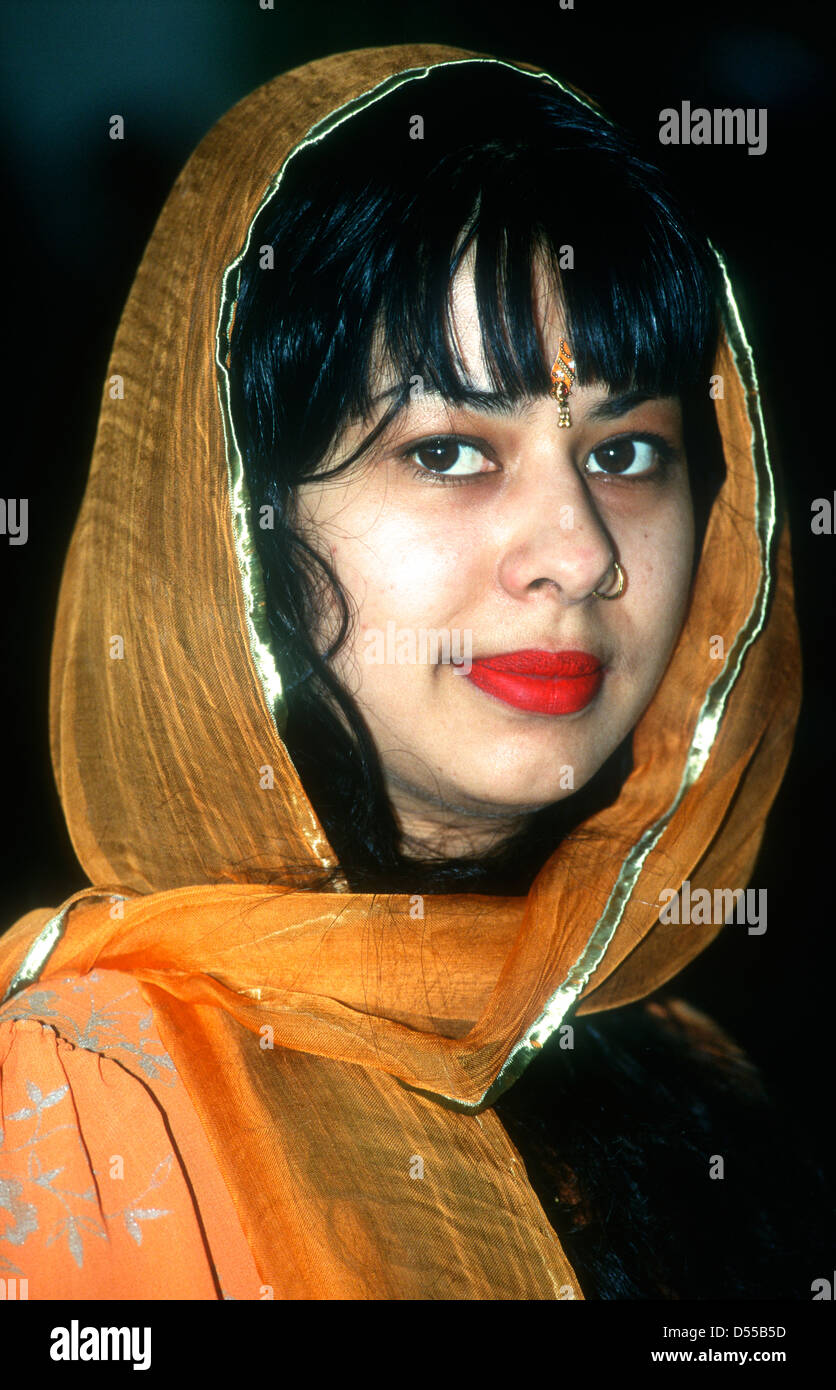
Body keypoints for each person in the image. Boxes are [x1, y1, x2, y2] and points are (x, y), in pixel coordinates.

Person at [0, 43, 829, 1300]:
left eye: (625, 453)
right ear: (227, 519)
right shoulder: (77, 1104)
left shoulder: (683, 1059)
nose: (577, 553)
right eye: (446, 451)